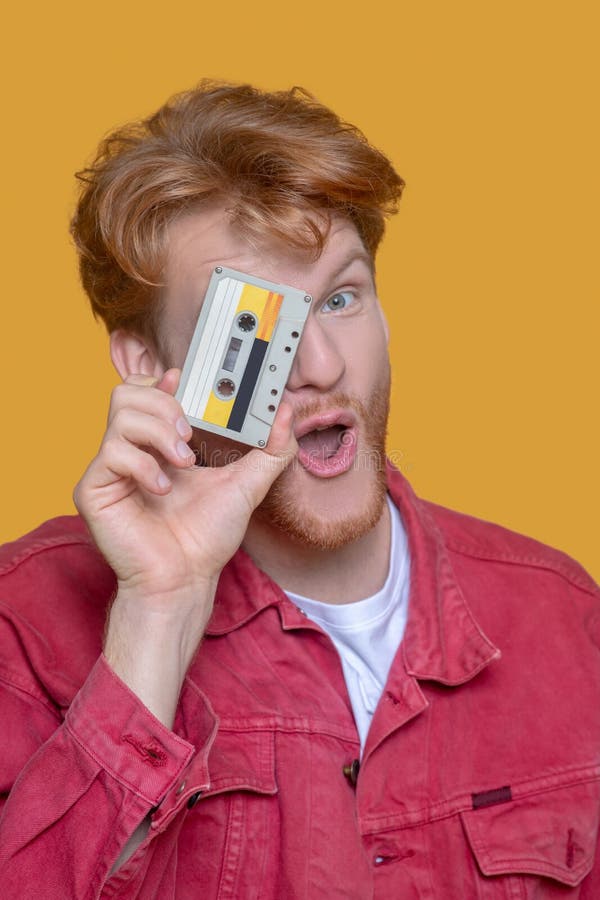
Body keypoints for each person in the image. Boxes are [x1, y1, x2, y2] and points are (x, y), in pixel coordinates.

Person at [0, 81, 599, 900]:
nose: (320, 365)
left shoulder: (564, 617)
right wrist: (158, 612)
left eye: (342, 298)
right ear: (147, 365)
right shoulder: (23, 628)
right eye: (258, 324)